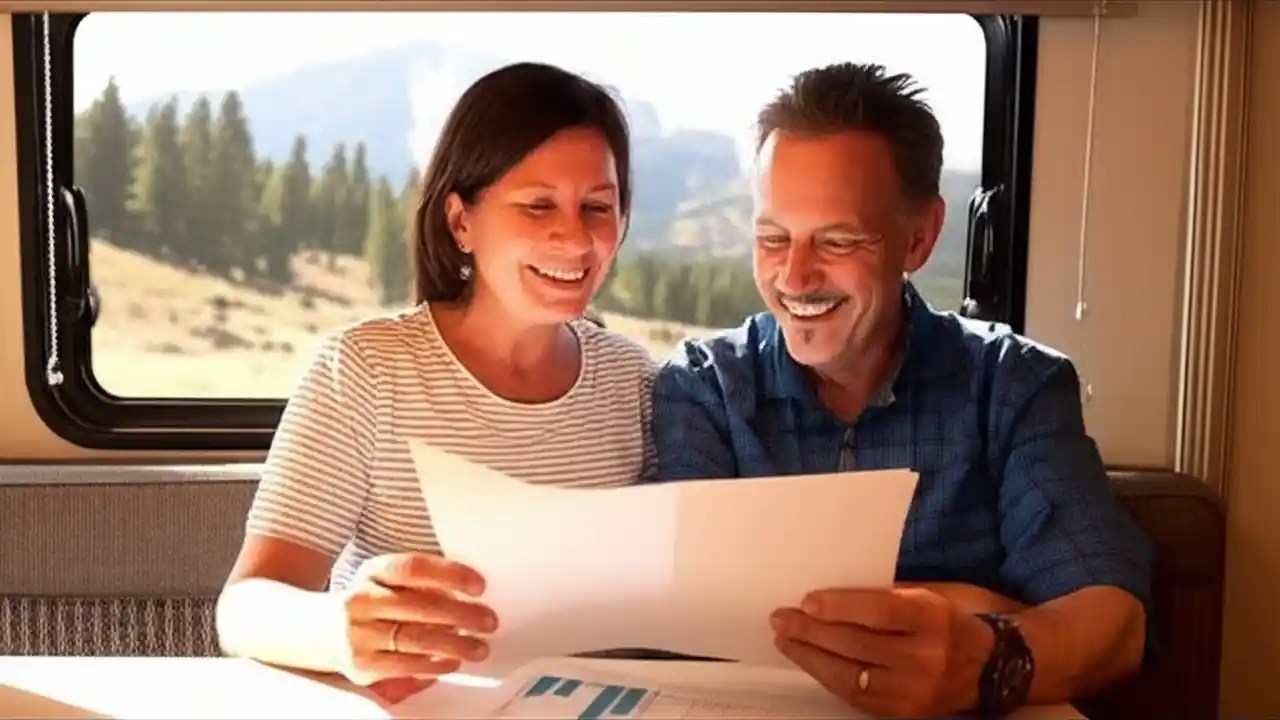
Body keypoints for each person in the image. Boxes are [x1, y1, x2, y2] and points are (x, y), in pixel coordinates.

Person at [650, 63, 1154, 718]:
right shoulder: (702, 388)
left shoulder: (1013, 385)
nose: (795, 277)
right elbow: (693, 624)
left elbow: (1115, 623)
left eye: (838, 239)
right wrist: (971, 603)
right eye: (773, 237)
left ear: (919, 238)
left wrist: (982, 662)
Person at [215, 62, 655, 702]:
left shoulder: (634, 380)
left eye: (598, 207)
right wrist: (338, 630)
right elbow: (243, 610)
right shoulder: (365, 371)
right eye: (538, 205)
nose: (574, 236)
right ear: (461, 223)